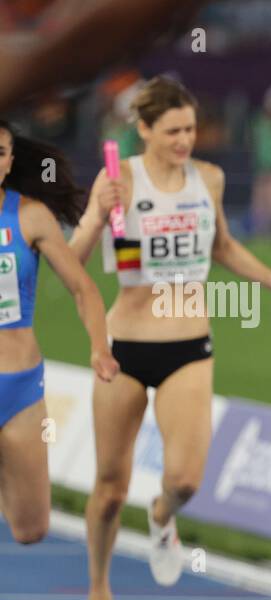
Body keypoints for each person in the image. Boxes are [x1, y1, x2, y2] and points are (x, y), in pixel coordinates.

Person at [68, 76, 271, 600]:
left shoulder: (210, 179)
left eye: (190, 129)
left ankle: (162, 520)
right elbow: (70, 263)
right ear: (144, 128)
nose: (184, 139)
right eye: (172, 130)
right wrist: (97, 220)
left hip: (189, 344)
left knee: (183, 481)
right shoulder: (118, 179)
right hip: (124, 345)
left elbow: (225, 248)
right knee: (107, 490)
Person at [0, 120, 117, 549]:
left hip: (20, 387)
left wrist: (100, 348)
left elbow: (83, 289)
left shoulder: (30, 216)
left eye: (0, 153)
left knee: (31, 529)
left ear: (11, 162)